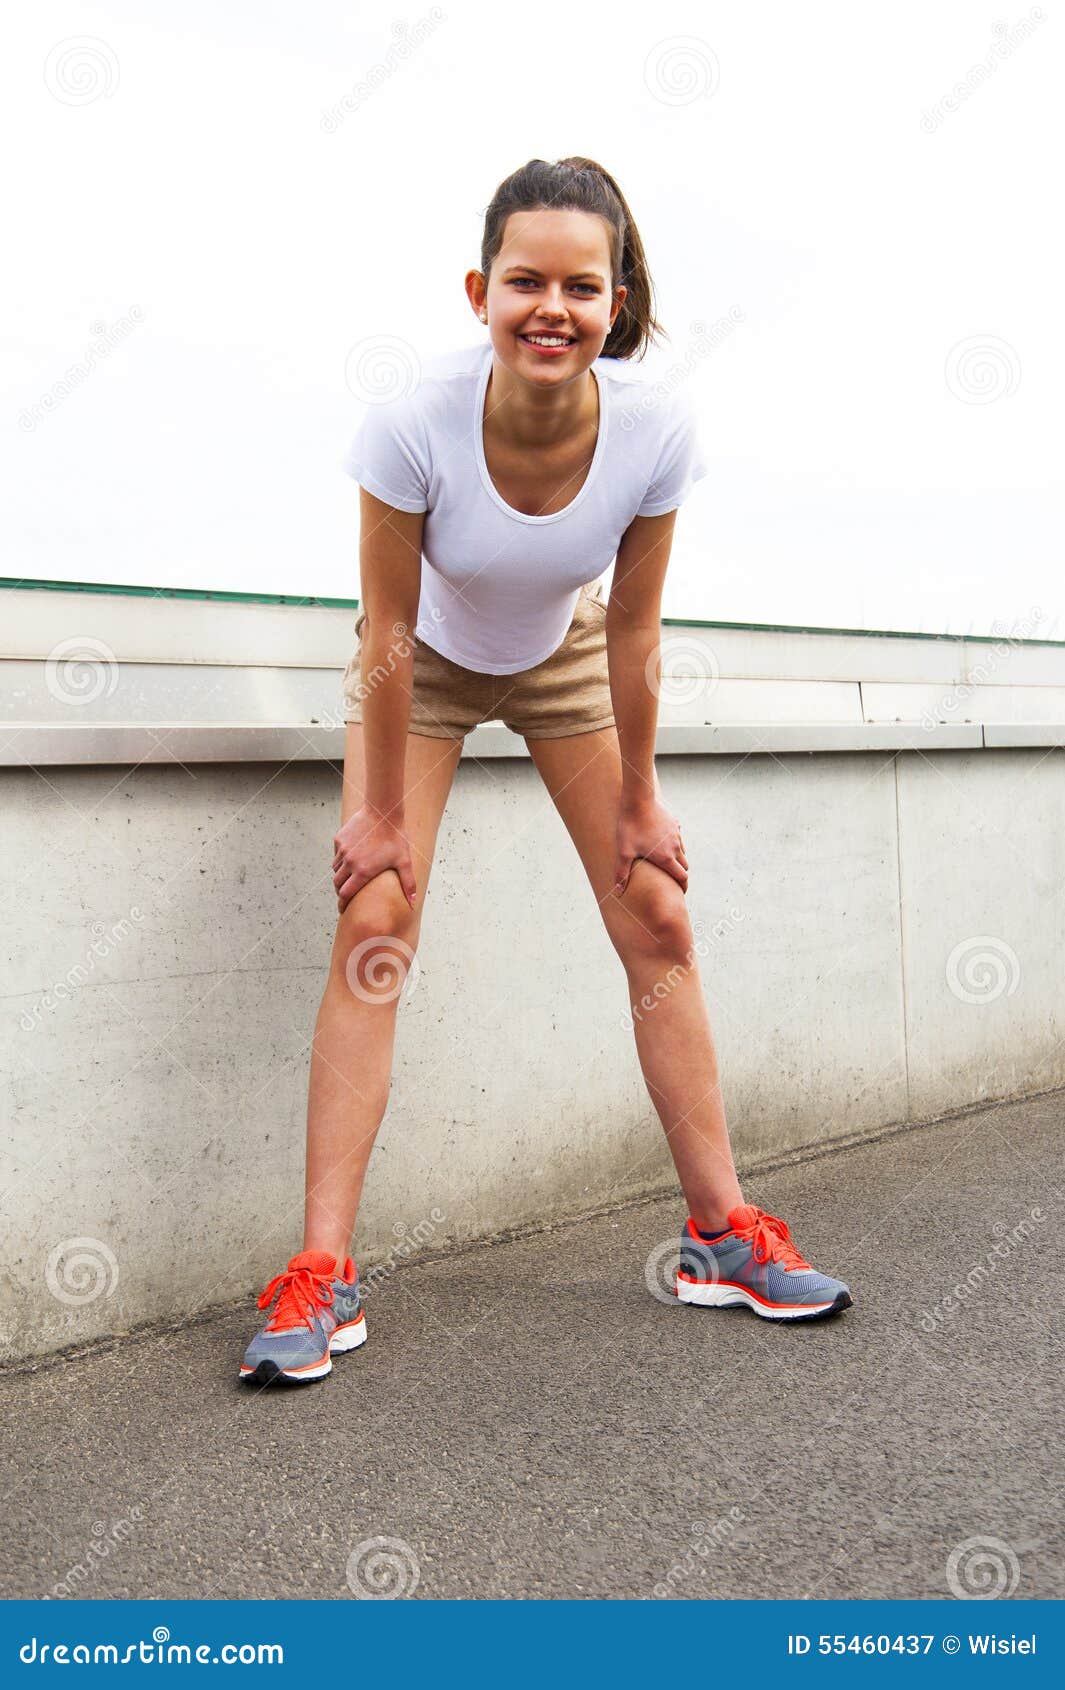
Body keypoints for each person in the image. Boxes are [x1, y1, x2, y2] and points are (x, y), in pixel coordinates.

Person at [240, 156, 852, 1387]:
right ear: (481, 290)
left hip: (566, 656)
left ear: (615, 301)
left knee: (659, 915)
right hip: (425, 665)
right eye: (526, 281)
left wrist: (639, 798)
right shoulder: (412, 420)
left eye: (581, 284)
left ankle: (721, 1235)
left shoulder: (655, 429)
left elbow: (631, 630)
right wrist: (376, 818)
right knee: (377, 918)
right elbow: (388, 632)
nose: (551, 309)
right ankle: (319, 1274)